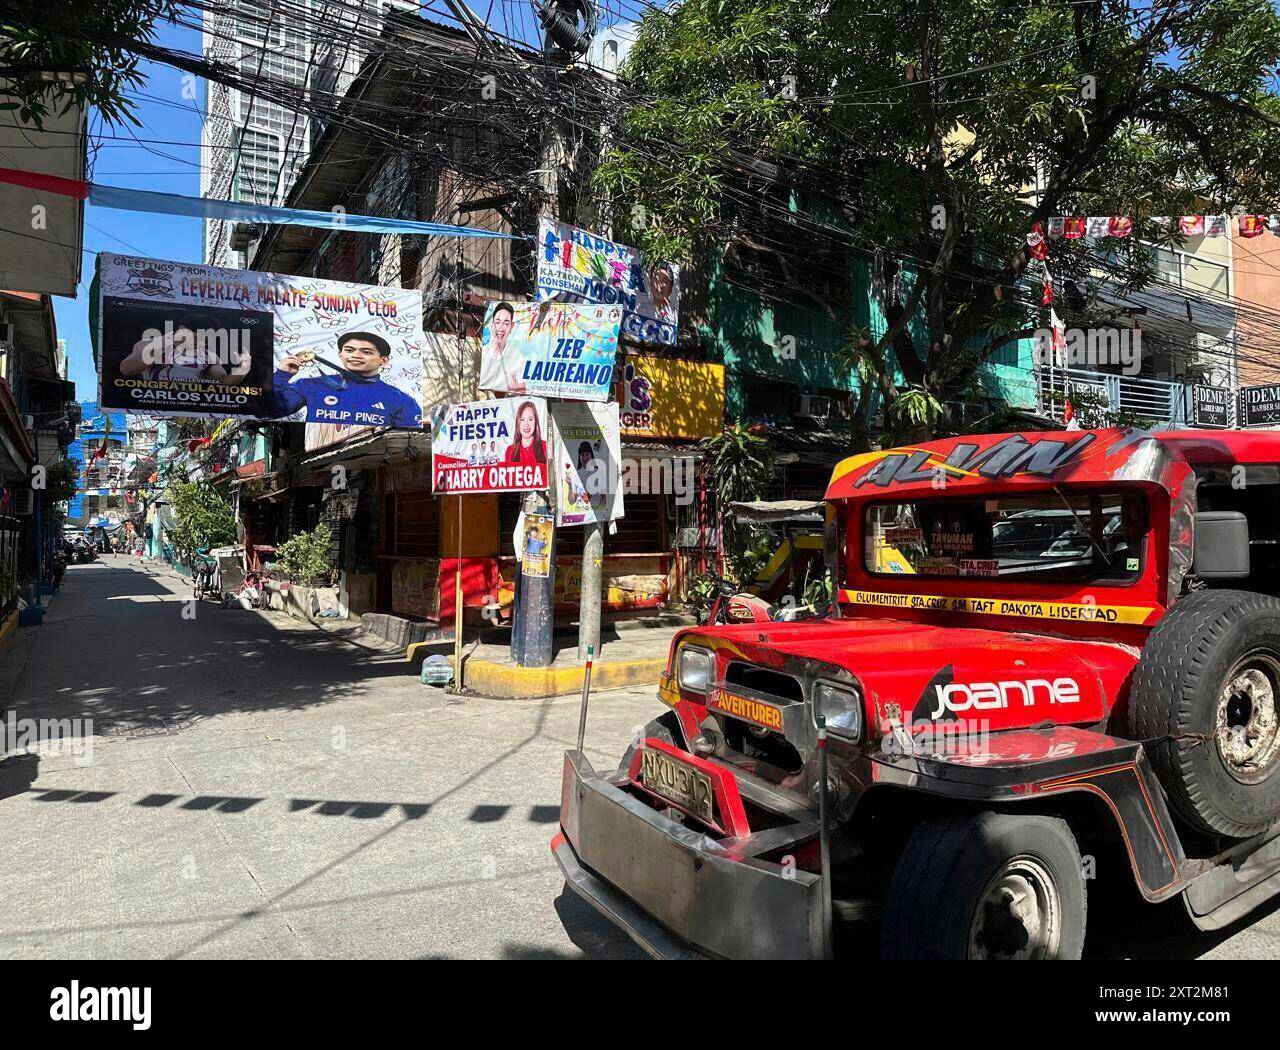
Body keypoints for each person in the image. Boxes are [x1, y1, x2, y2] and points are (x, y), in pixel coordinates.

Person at [269, 331, 420, 426]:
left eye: (366, 352)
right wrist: (282, 375)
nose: (355, 355)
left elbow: (408, 438)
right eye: (349, 350)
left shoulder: (401, 399)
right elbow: (272, 411)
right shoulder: (311, 386)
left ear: (383, 360)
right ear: (341, 355)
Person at [119, 311, 251, 385]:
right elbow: (126, 369)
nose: (198, 343)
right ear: (182, 330)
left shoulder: (209, 357)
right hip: (153, 402)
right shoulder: (150, 343)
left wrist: (243, 368)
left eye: (204, 341)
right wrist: (164, 344)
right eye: (195, 337)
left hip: (187, 405)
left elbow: (223, 383)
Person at [485, 302, 526, 394]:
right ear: (492, 325)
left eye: (506, 324)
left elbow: (523, 390)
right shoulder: (484, 353)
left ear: (512, 326)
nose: (501, 328)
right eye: (497, 322)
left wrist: (515, 388)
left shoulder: (518, 357)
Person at [503, 401, 547, 467]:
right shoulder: (510, 450)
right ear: (518, 423)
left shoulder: (545, 447)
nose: (526, 425)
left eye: (530, 419)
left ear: (536, 421)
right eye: (522, 420)